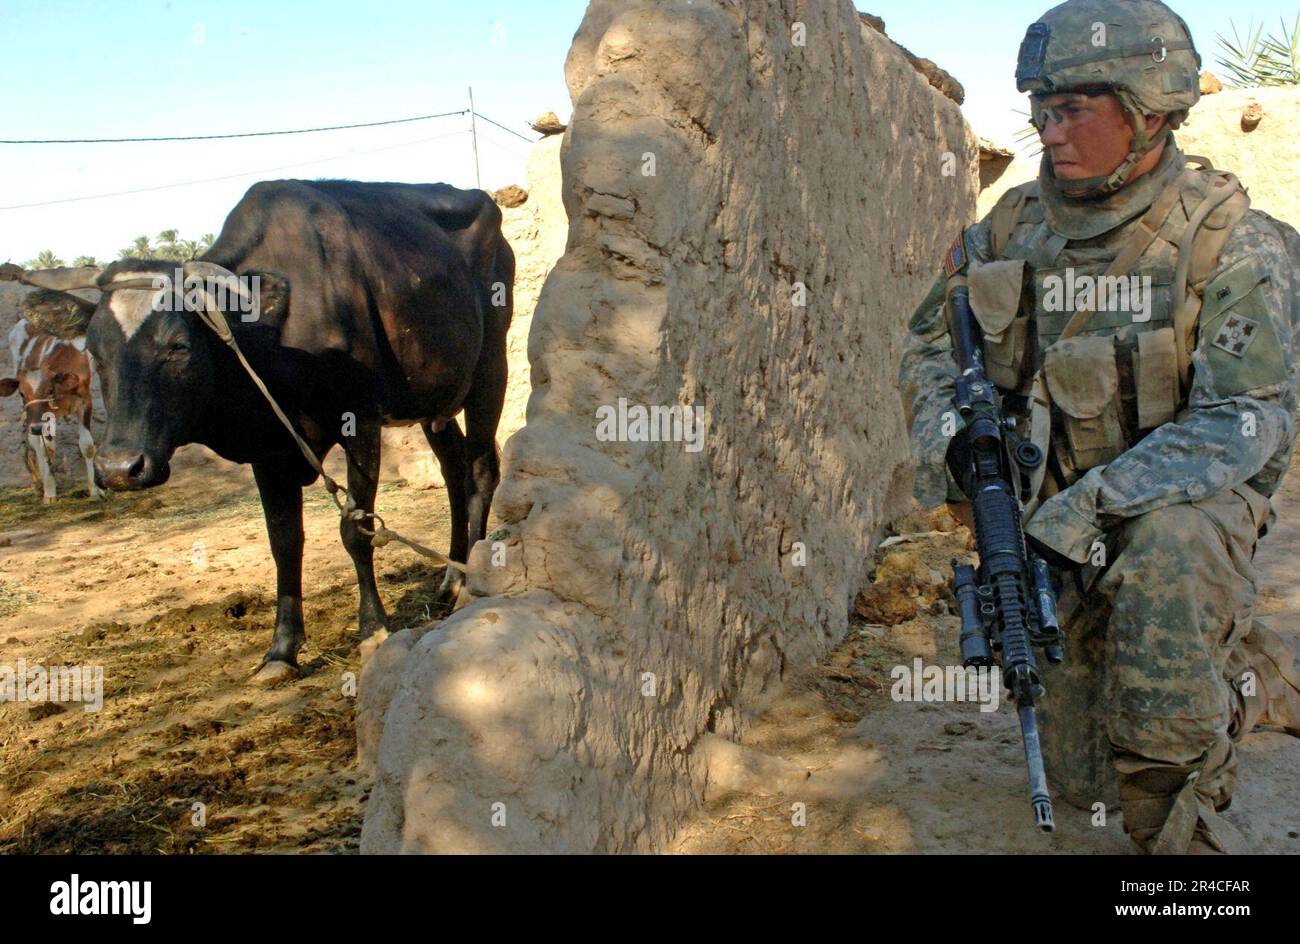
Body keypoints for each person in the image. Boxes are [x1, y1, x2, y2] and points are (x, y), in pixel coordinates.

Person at [899, 0, 1300, 853]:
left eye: (1074, 108)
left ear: (1148, 108)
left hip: (1170, 515)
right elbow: (930, 344)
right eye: (1041, 111)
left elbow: (1246, 421)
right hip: (1044, 532)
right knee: (1085, 775)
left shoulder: (1230, 242)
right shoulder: (1012, 226)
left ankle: (1182, 845)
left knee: (1168, 565)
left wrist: (1088, 507)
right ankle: (1247, 674)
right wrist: (957, 455)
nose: (1050, 131)